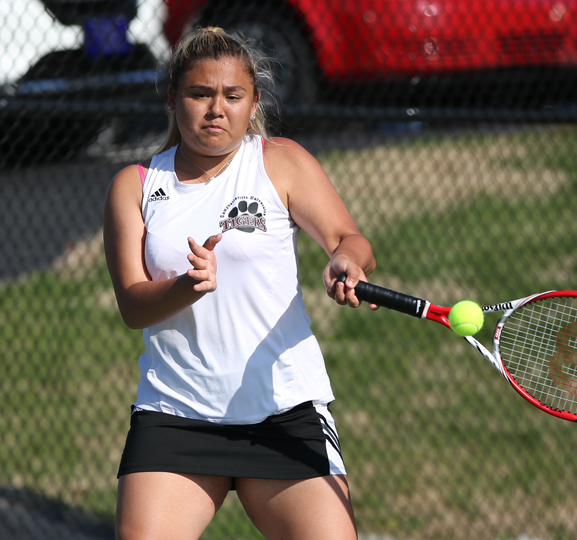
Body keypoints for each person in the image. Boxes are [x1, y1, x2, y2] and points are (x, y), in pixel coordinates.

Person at [102, 26, 376, 540]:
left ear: (253, 103)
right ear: (172, 97)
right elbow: (133, 306)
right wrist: (186, 286)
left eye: (232, 95)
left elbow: (350, 238)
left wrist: (346, 260)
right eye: (199, 93)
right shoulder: (135, 186)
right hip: (176, 414)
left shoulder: (279, 161)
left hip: (283, 413)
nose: (215, 109)